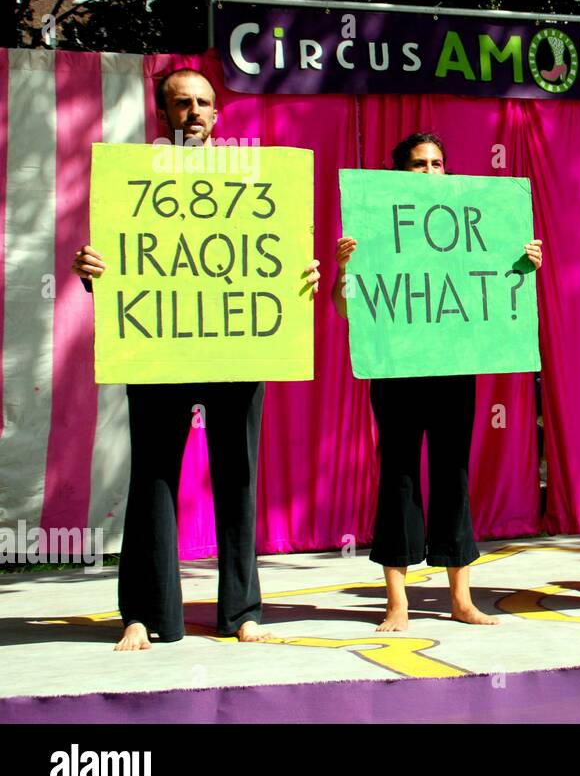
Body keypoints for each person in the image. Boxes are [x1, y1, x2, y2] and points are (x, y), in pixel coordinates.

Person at [71, 67, 321, 650]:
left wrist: (299, 277)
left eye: (205, 103)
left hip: (238, 346)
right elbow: (125, 264)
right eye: (182, 104)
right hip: (160, 348)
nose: (195, 113)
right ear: (163, 115)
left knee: (238, 477)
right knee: (154, 479)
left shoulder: (256, 180)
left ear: (218, 114)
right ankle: (144, 612)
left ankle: (242, 611)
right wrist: (94, 273)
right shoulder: (132, 181)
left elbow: (274, 258)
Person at [333, 133, 542, 630]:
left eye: (437, 163)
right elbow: (347, 311)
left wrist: (523, 265)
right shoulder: (375, 232)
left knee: (453, 475)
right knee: (399, 477)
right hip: (395, 370)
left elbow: (497, 292)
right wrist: (345, 271)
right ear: (398, 172)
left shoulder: (471, 225)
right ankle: (397, 601)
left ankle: (461, 598)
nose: (429, 172)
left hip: (453, 368)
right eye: (417, 164)